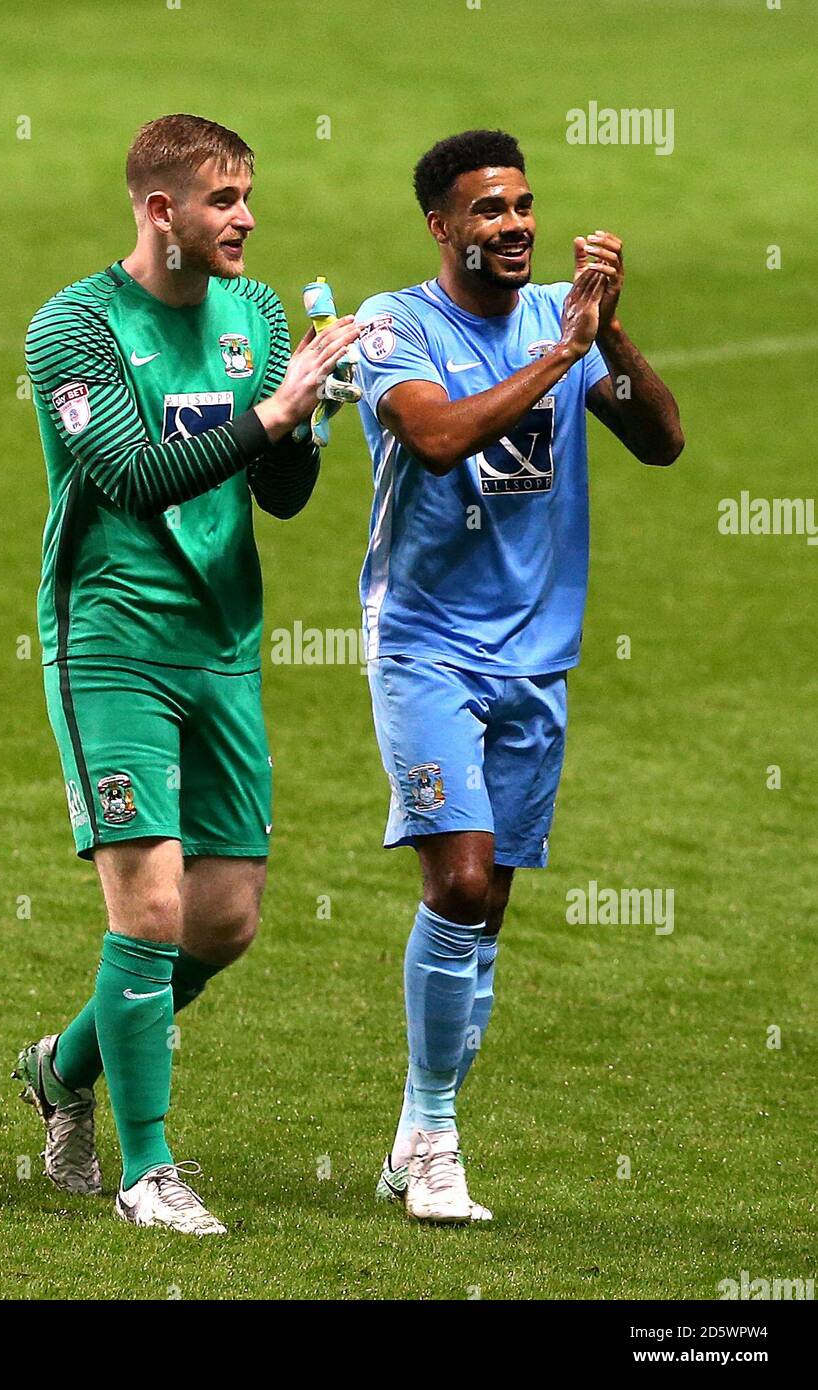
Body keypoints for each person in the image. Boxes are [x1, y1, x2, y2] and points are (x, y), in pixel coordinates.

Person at [17, 113, 361, 1236]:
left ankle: (62, 1067)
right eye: (223, 199)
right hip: (110, 637)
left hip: (222, 641)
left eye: (248, 196)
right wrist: (269, 410)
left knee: (222, 923)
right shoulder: (71, 328)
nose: (247, 218)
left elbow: (280, 496)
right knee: (152, 908)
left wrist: (306, 422)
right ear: (160, 210)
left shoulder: (255, 316)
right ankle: (146, 1168)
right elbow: (123, 475)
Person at [354, 128, 683, 1223]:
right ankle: (438, 1139)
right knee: (453, 880)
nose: (513, 226)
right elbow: (438, 438)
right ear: (440, 226)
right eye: (487, 211)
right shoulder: (392, 326)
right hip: (425, 645)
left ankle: (416, 1127)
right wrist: (557, 354)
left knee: (485, 903)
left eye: (522, 207)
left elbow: (662, 441)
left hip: (536, 660)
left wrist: (609, 334)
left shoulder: (564, 318)